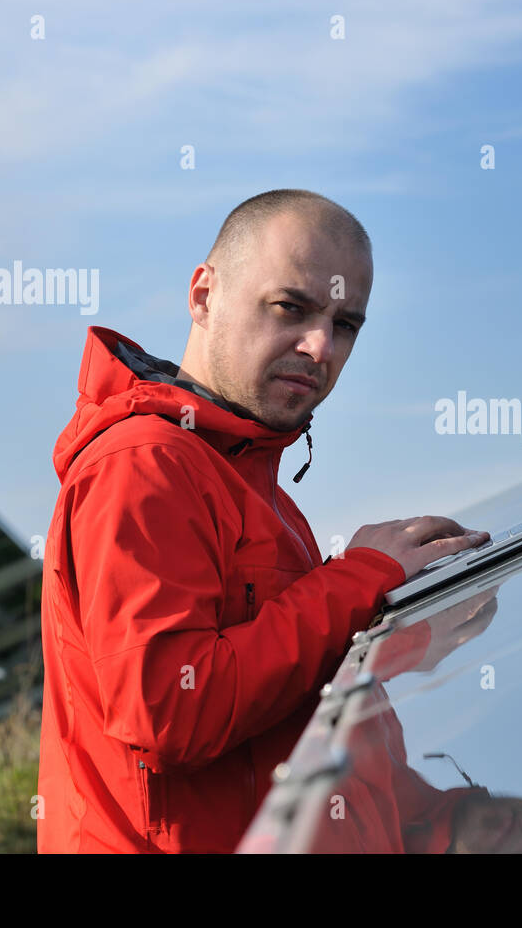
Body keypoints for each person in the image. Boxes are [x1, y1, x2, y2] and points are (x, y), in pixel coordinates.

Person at [36, 189, 489, 853]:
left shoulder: (257, 486)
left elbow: (289, 717)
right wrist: (359, 579)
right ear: (203, 295)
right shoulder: (143, 465)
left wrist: (474, 823)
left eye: (346, 324)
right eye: (291, 308)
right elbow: (169, 711)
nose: (319, 346)